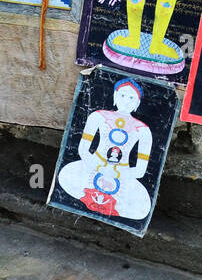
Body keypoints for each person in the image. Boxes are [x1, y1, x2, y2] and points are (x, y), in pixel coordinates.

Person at [55, 78, 154, 221]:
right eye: (122, 95)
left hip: (122, 173)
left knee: (141, 208)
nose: (126, 101)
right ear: (114, 96)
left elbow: (140, 170)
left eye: (131, 97)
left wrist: (117, 173)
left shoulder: (143, 130)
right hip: (95, 164)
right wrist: (99, 167)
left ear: (137, 103)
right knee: (66, 176)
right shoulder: (98, 116)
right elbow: (83, 150)